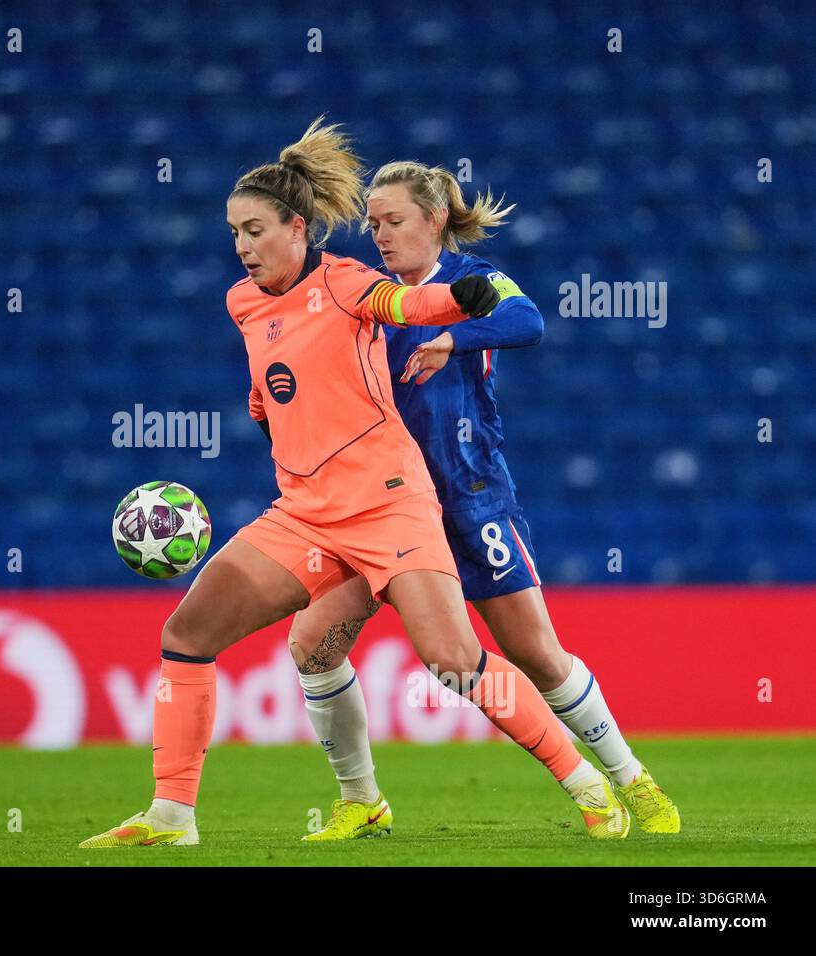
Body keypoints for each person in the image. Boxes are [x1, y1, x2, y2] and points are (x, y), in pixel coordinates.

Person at [80, 119, 630, 848]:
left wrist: (460, 303)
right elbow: (277, 383)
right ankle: (173, 817)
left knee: (454, 661)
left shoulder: (346, 282)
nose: (241, 248)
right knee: (187, 633)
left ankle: (588, 785)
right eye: (233, 234)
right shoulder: (242, 303)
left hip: (389, 503)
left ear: (297, 228)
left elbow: (405, 306)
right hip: (305, 512)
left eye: (253, 231)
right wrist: (266, 404)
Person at [288, 160, 680, 841]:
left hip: (470, 501)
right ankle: (360, 800)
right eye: (373, 223)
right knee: (313, 643)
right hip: (380, 508)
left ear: (435, 220)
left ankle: (632, 780)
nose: (380, 235)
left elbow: (528, 320)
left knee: (535, 653)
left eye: (395, 221)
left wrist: (453, 334)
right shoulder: (368, 297)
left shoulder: (469, 285)